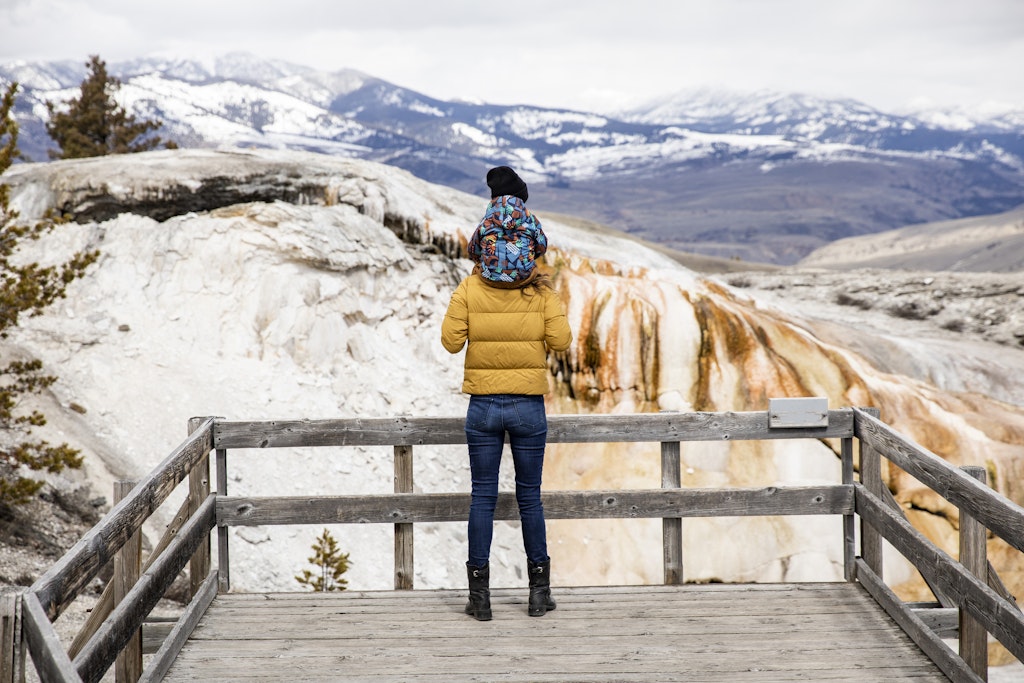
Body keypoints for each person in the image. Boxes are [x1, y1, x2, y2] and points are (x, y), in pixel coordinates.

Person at [441, 168, 573, 620]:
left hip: (482, 406)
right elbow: (561, 341)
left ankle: (480, 599)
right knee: (529, 498)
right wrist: (541, 305)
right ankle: (539, 594)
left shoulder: (469, 288)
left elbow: (451, 342)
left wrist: (473, 309)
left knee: (482, 497)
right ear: (530, 245)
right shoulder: (540, 292)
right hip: (528, 407)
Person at [468, 166, 548, 288]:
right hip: (524, 278)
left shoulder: (486, 222)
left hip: (490, 279)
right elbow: (542, 247)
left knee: (475, 271)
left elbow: (473, 250)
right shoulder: (531, 220)